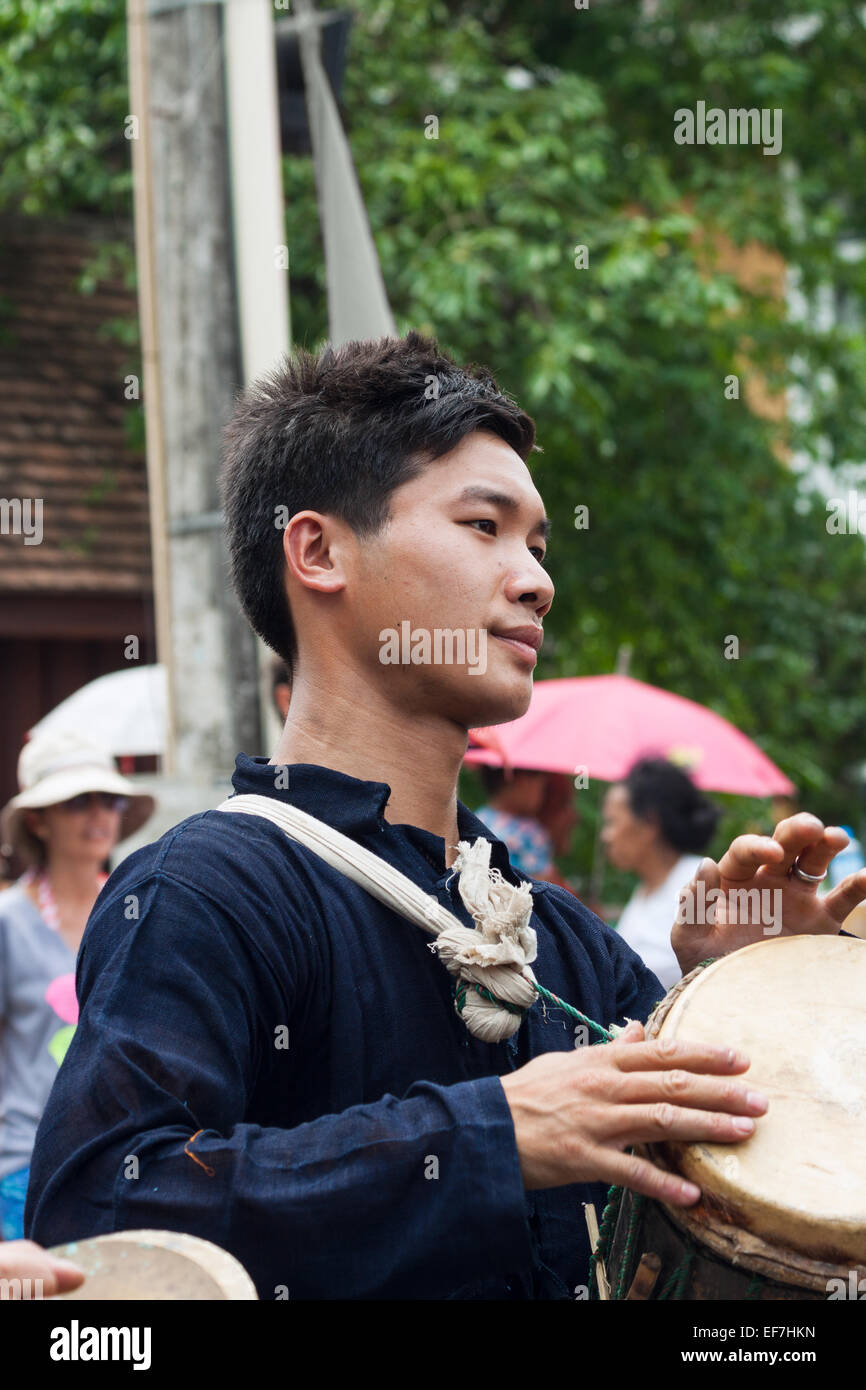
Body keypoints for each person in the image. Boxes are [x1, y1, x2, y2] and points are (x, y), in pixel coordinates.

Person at [26, 333, 866, 1300]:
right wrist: (490, 1136)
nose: (536, 580)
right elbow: (99, 1211)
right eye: (483, 527)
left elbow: (724, 1242)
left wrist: (748, 1000)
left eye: (539, 547)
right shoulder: (210, 889)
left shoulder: (558, 937)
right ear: (319, 550)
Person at [0, 730, 154, 1240]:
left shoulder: (140, 910)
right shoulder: (8, 923)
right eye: (76, 802)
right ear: (37, 819)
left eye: (108, 799)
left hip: (127, 1161)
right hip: (26, 1167)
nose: (98, 815)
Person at [601, 757, 721, 990]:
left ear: (649, 824)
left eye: (612, 822)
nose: (606, 836)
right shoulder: (644, 890)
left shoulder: (698, 881)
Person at [475, 765, 578, 889]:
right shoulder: (531, 833)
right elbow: (543, 884)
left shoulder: (478, 818)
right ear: (523, 782)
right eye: (541, 787)